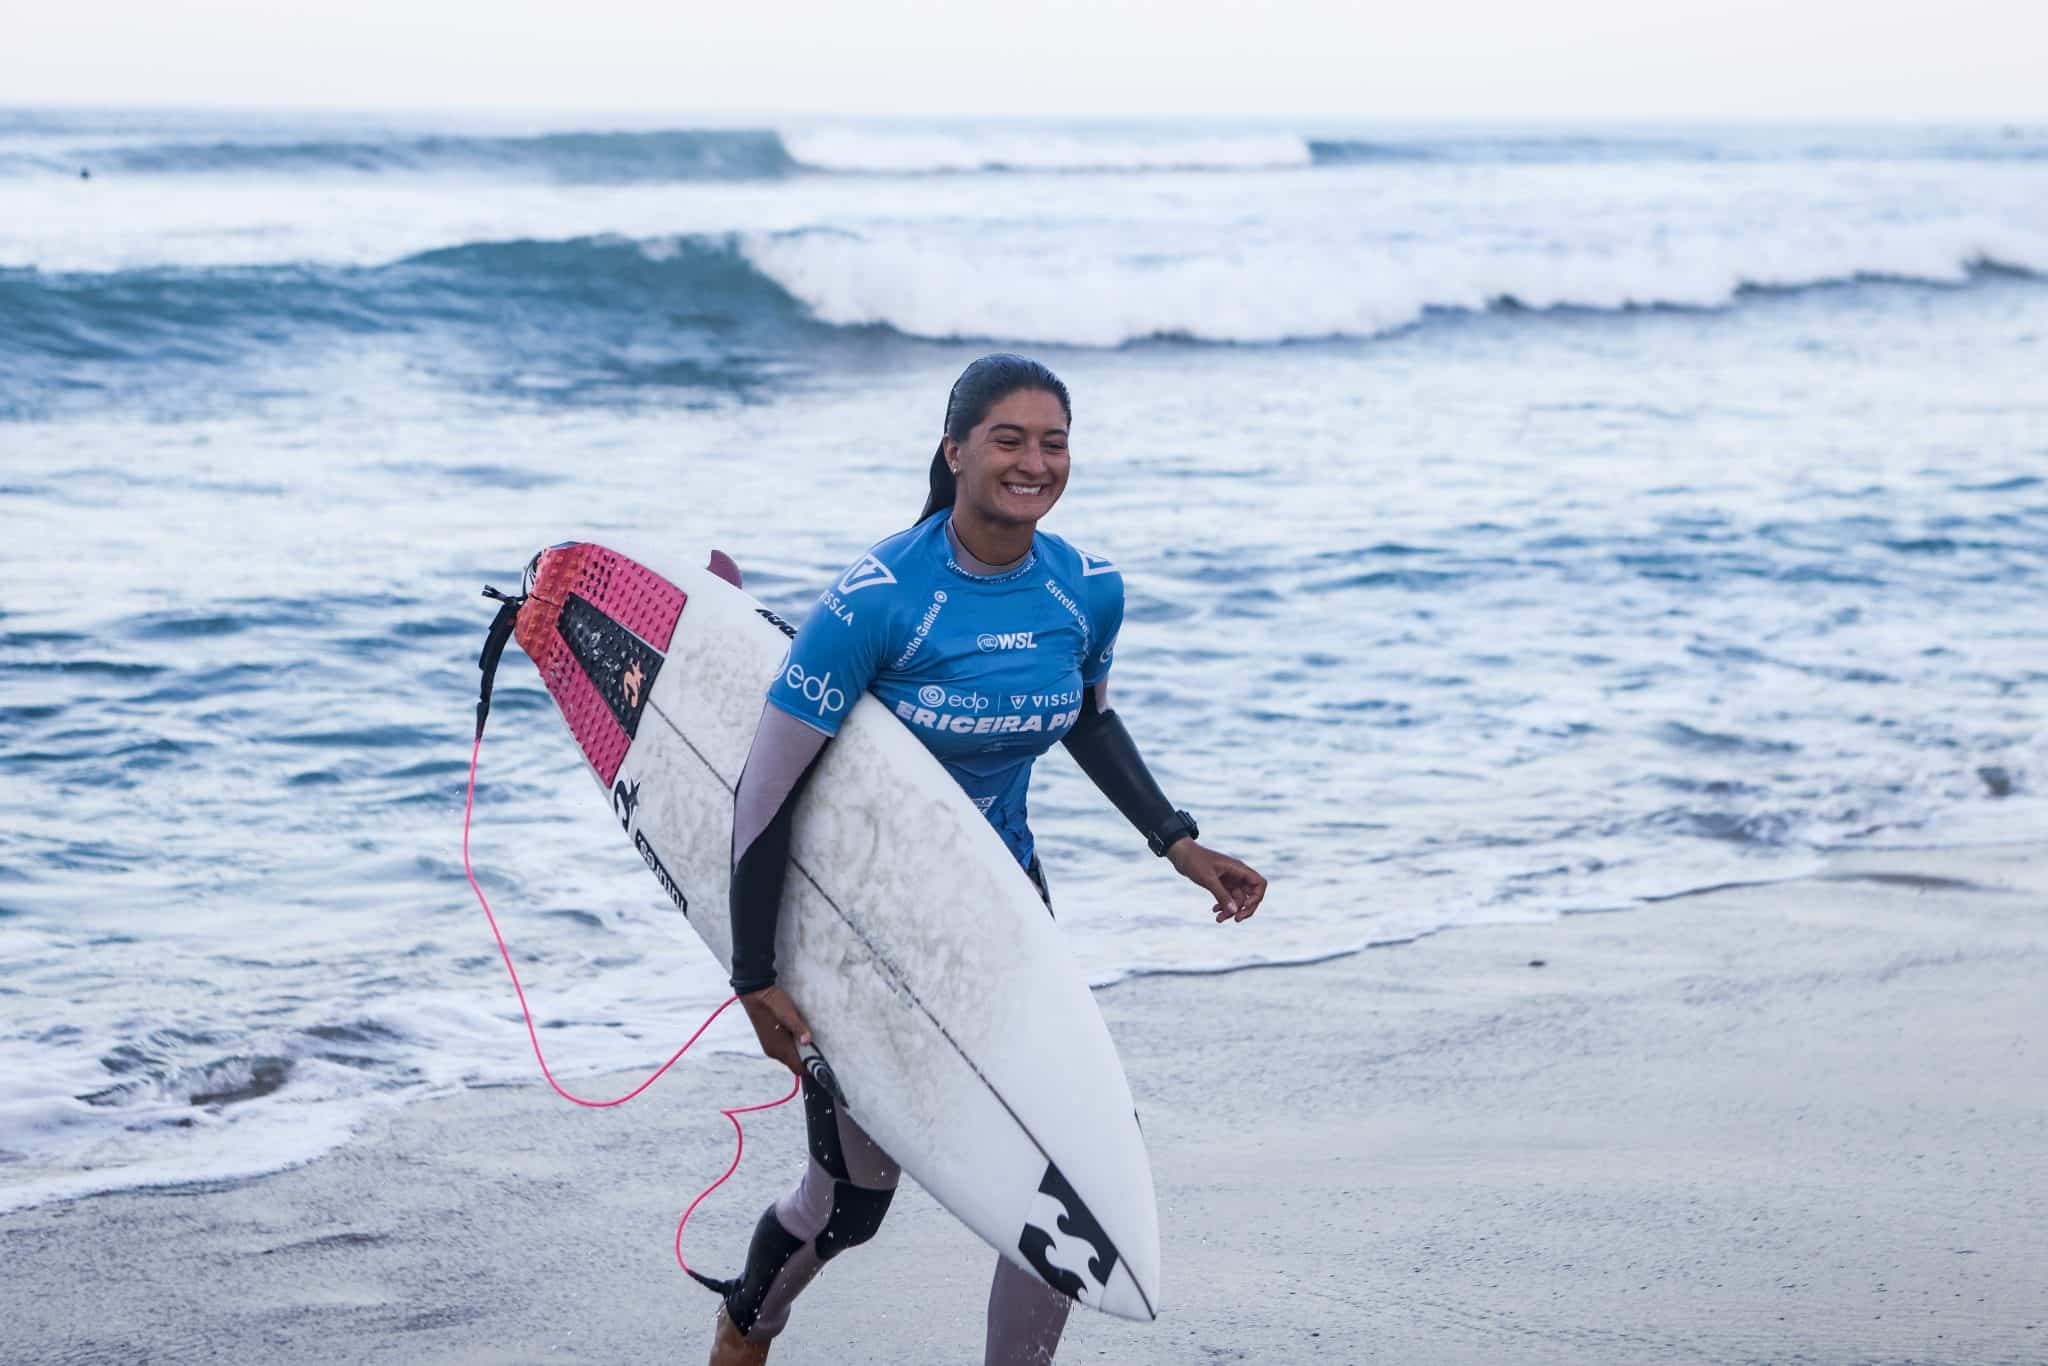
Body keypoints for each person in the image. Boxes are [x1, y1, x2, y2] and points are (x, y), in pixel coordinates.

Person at [708, 354, 1268, 1366]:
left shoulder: (1085, 589)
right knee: (851, 1202)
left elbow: (1086, 721)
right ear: (954, 448)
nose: (1033, 460)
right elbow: (764, 791)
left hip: (1003, 914)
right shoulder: (875, 601)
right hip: (860, 934)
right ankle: (746, 1331)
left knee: (1060, 1176)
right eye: (1008, 438)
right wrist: (755, 974)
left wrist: (1175, 840)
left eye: (1052, 441)